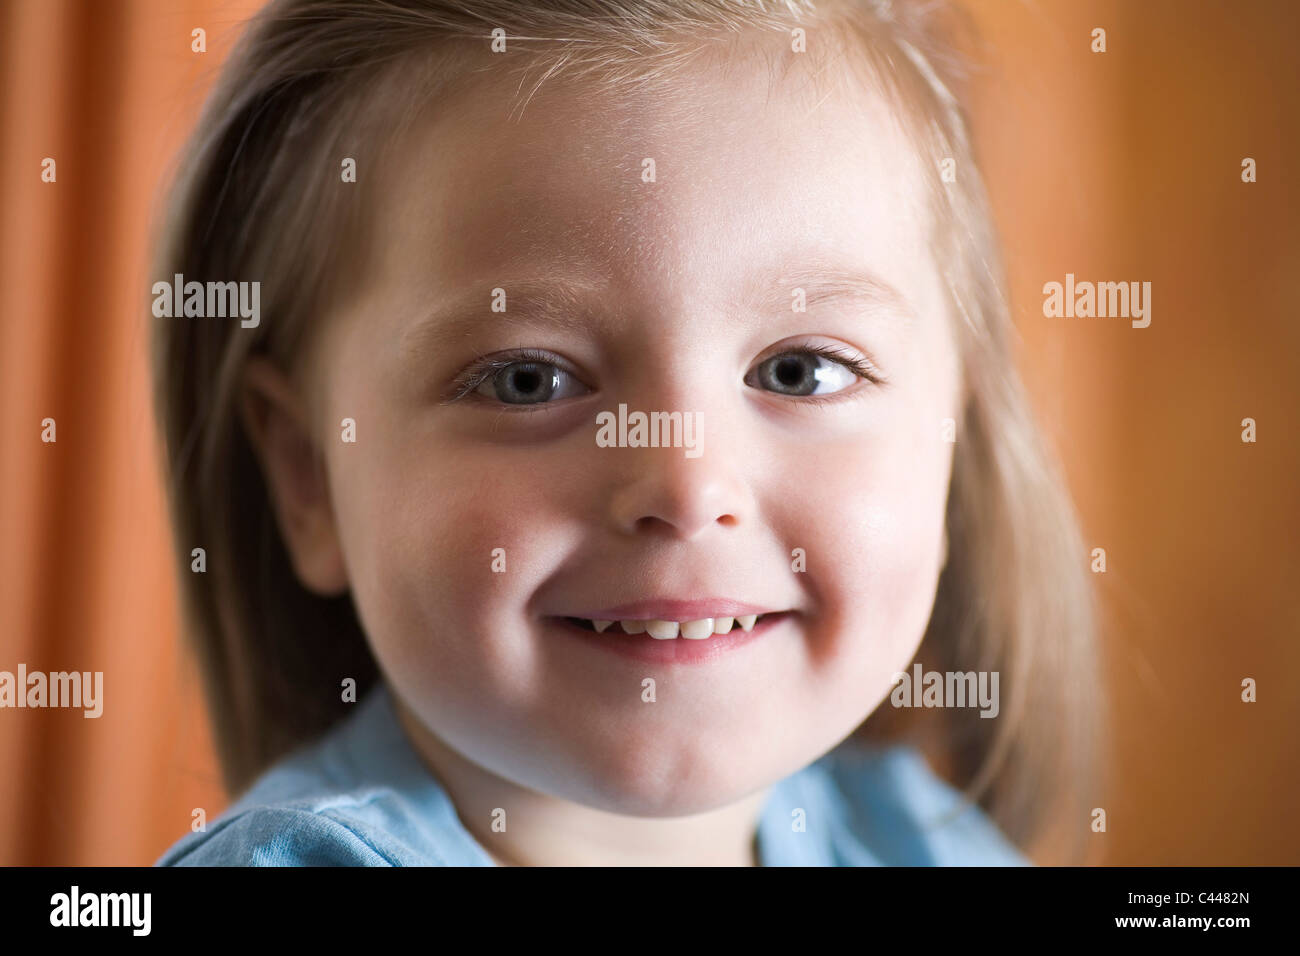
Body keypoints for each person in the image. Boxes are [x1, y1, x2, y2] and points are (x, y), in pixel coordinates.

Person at [152, 0, 1102, 867]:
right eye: (528, 381)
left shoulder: (925, 845)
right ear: (308, 474)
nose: (688, 487)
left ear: (949, 435)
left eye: (799, 371)